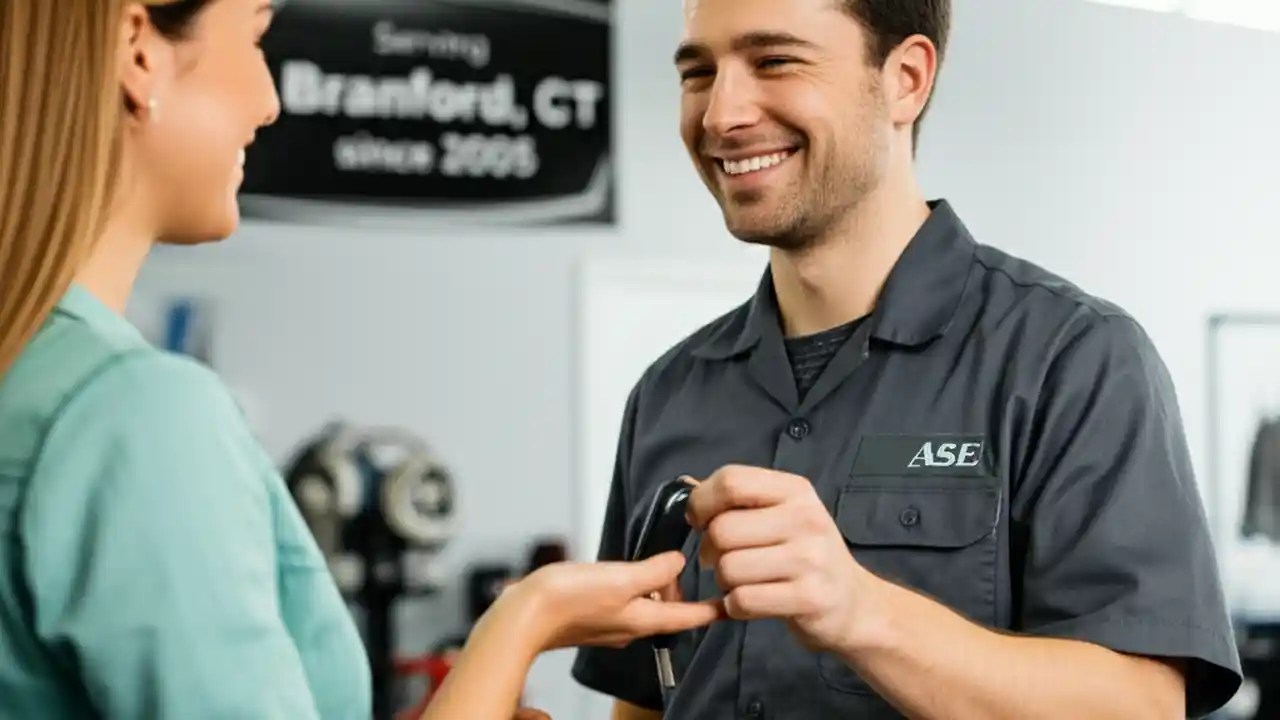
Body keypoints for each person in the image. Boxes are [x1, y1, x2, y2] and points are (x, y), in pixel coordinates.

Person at [0, 1, 719, 718]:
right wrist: (522, 624)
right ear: (139, 51)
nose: (270, 101)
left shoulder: (34, 370)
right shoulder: (136, 413)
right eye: (256, 37)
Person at [572, 0, 1245, 718]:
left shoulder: (1073, 362)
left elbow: (1141, 706)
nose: (719, 114)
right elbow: (642, 700)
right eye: (698, 72)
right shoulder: (668, 393)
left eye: (774, 61)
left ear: (907, 79)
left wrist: (862, 611)